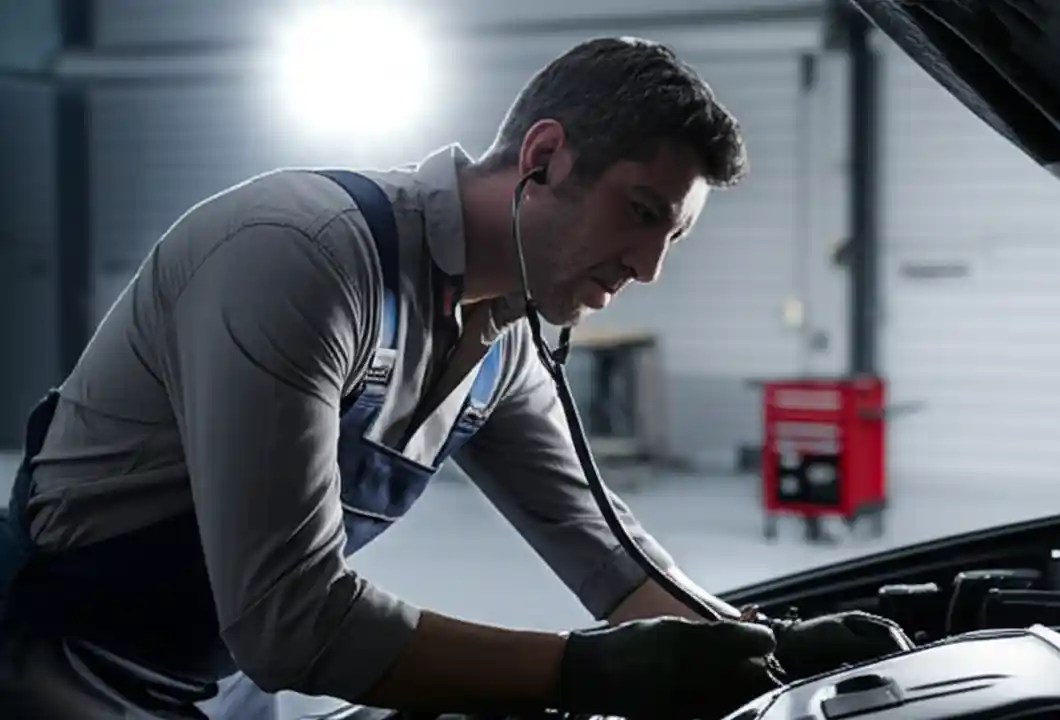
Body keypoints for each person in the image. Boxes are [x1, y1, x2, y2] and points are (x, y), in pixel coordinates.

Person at [0, 37, 900, 719]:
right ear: (544, 158)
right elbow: (291, 619)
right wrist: (584, 670)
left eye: (675, 235)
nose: (650, 266)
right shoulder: (302, 258)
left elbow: (606, 553)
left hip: (221, 679)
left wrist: (773, 650)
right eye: (641, 212)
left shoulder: (503, 342)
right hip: (55, 666)